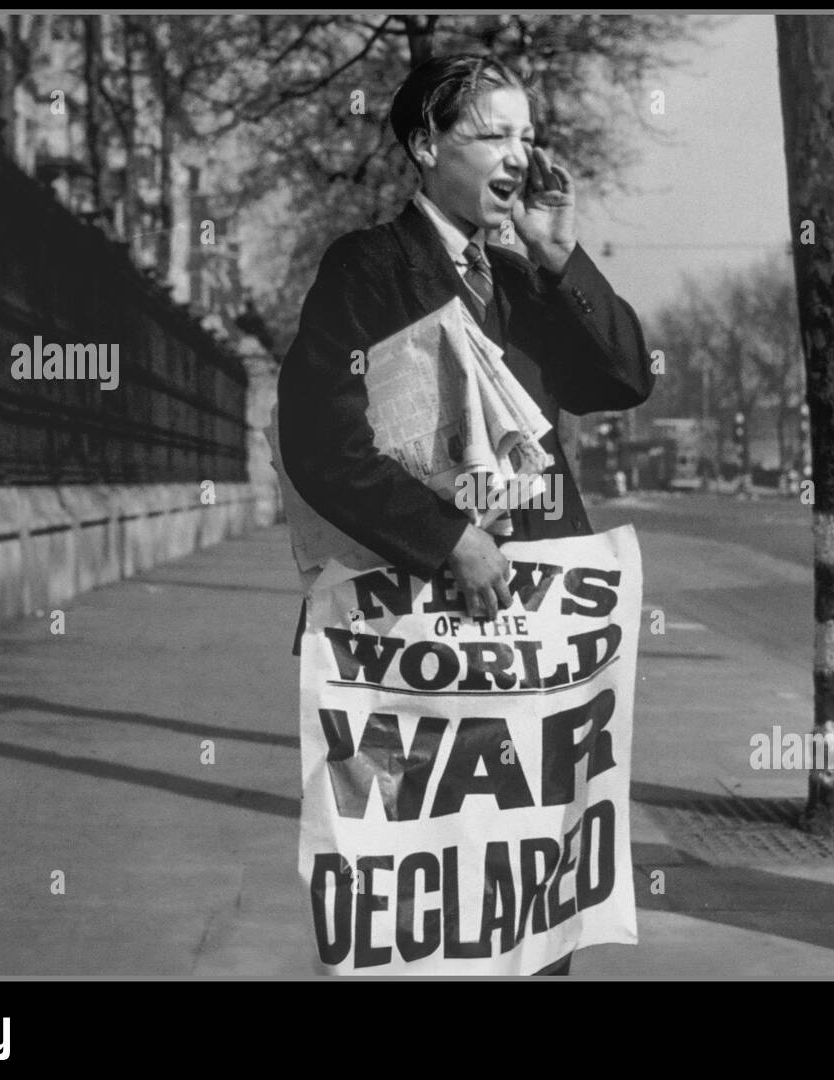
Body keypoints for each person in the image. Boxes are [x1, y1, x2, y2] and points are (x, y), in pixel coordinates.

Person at [278, 52, 653, 976]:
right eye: (493, 135)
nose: (519, 156)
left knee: (531, 907)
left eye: (526, 135)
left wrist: (561, 254)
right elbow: (321, 442)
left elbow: (623, 379)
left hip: (530, 655)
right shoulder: (367, 269)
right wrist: (449, 541)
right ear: (423, 145)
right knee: (428, 909)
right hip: (421, 647)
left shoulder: (528, 283)